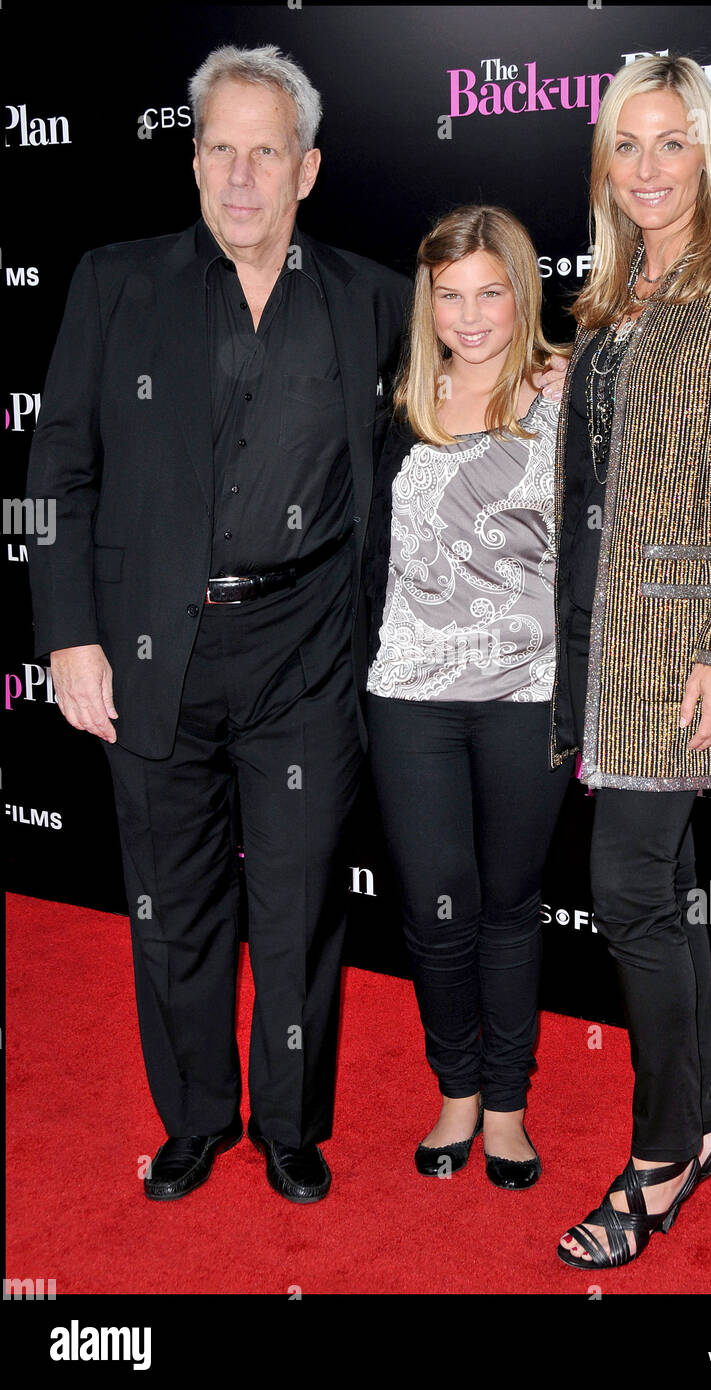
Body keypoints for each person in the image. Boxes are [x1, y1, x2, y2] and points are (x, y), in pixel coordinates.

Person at [25, 44, 412, 1205]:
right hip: (149, 656)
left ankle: (290, 1127)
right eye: (220, 149)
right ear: (193, 159)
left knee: (295, 908)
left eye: (266, 153)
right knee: (173, 905)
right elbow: (59, 468)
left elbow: (466, 408)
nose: (240, 176)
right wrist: (67, 635)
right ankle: (196, 1119)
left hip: (304, 655)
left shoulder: (372, 300)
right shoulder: (114, 281)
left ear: (307, 171)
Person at [550, 55, 711, 1267]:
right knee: (662, 888)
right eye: (626, 145)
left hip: (684, 642)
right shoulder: (616, 290)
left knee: (629, 894)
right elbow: (618, 452)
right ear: (604, 161)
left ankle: (658, 1157)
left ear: (707, 148)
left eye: (671, 141)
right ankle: (701, 1120)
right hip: (606, 643)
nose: (647, 168)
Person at [363, 206, 574, 1189]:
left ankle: (504, 1105)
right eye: (450, 294)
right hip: (408, 694)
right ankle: (453, 1088)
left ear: (520, 291)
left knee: (506, 905)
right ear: (428, 299)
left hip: (525, 693)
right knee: (437, 907)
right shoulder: (399, 395)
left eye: (490, 291)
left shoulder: (562, 392)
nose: (471, 314)